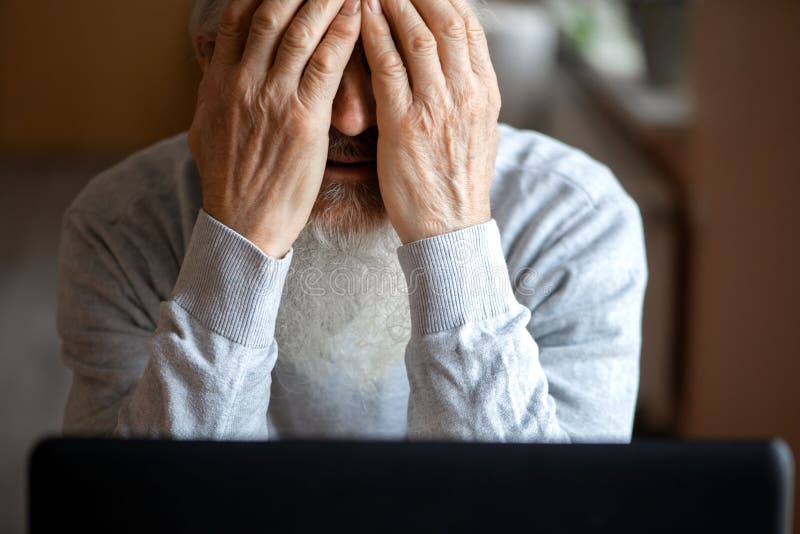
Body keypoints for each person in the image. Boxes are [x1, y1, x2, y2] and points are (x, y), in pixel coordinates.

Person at [56, 0, 647, 441]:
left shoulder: (576, 220)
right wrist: (239, 238)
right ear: (214, 66)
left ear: (468, 66)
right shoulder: (119, 224)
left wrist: (452, 230)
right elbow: (145, 512)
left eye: (396, 64)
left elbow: (548, 514)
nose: (354, 116)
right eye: (310, 61)